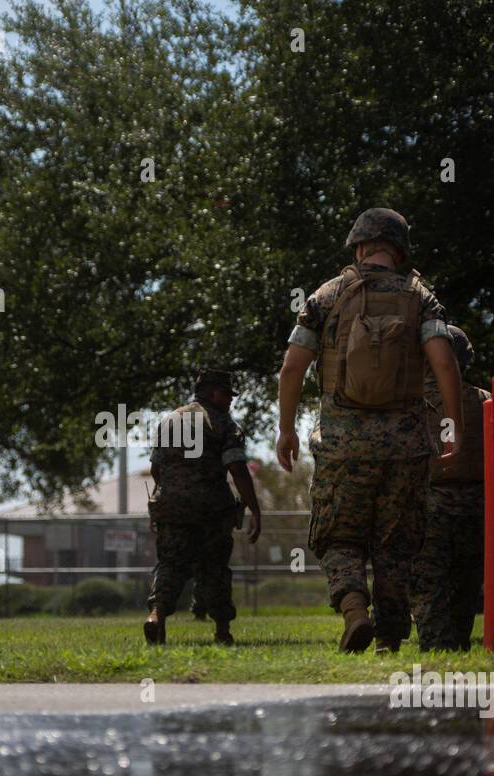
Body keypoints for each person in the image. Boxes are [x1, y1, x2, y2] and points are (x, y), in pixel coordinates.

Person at [276, 208, 463, 653]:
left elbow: (291, 369)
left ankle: (354, 611)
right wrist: (453, 423)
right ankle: (389, 643)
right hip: (406, 447)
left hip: (343, 445)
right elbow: (444, 360)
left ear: (359, 245)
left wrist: (286, 430)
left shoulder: (328, 295)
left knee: (339, 537)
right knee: (396, 546)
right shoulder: (421, 298)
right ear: (398, 249)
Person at [145, 369, 261, 646]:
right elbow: (237, 469)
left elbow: (156, 469)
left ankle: (156, 616)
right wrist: (255, 509)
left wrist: (174, 494)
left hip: (170, 508)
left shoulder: (170, 420)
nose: (231, 401)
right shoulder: (223, 424)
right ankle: (222, 631)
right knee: (215, 568)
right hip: (212, 510)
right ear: (212, 392)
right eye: (227, 394)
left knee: (170, 564)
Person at [410, 325, 489, 651]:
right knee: (466, 580)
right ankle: (458, 644)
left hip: (427, 503)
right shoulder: (487, 402)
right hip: (477, 504)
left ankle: (437, 648)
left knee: (428, 581)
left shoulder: (407, 404)